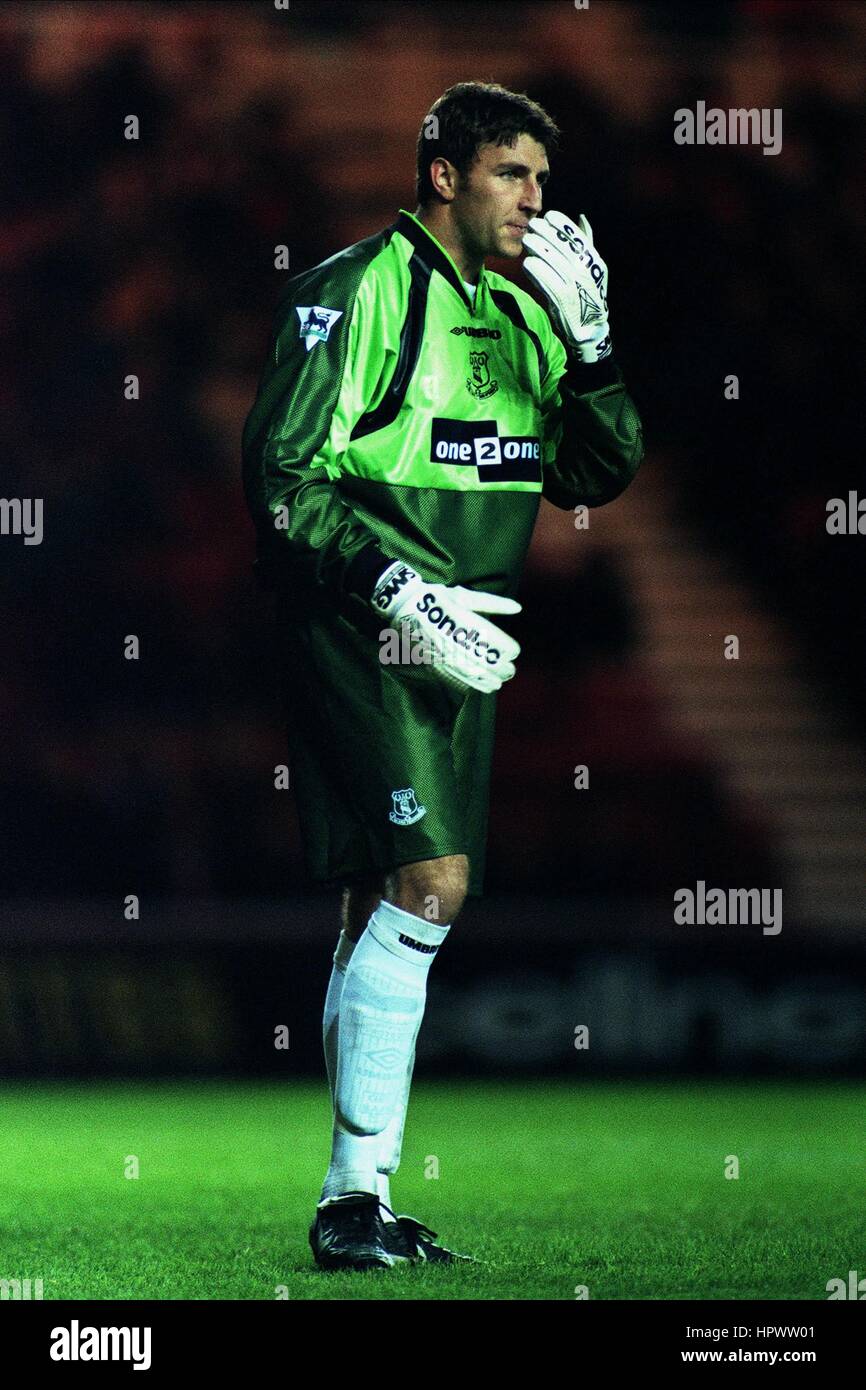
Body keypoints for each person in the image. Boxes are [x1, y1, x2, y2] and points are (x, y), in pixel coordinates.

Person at [242, 80, 644, 1271]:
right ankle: (347, 1203)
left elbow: (591, 471)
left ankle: (356, 1200)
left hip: (461, 649)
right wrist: (391, 584)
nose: (535, 201)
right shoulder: (351, 291)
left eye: (541, 179)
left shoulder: (523, 316)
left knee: (382, 903)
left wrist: (595, 347)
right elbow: (278, 480)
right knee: (434, 884)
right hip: (362, 627)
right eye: (511, 173)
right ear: (442, 175)